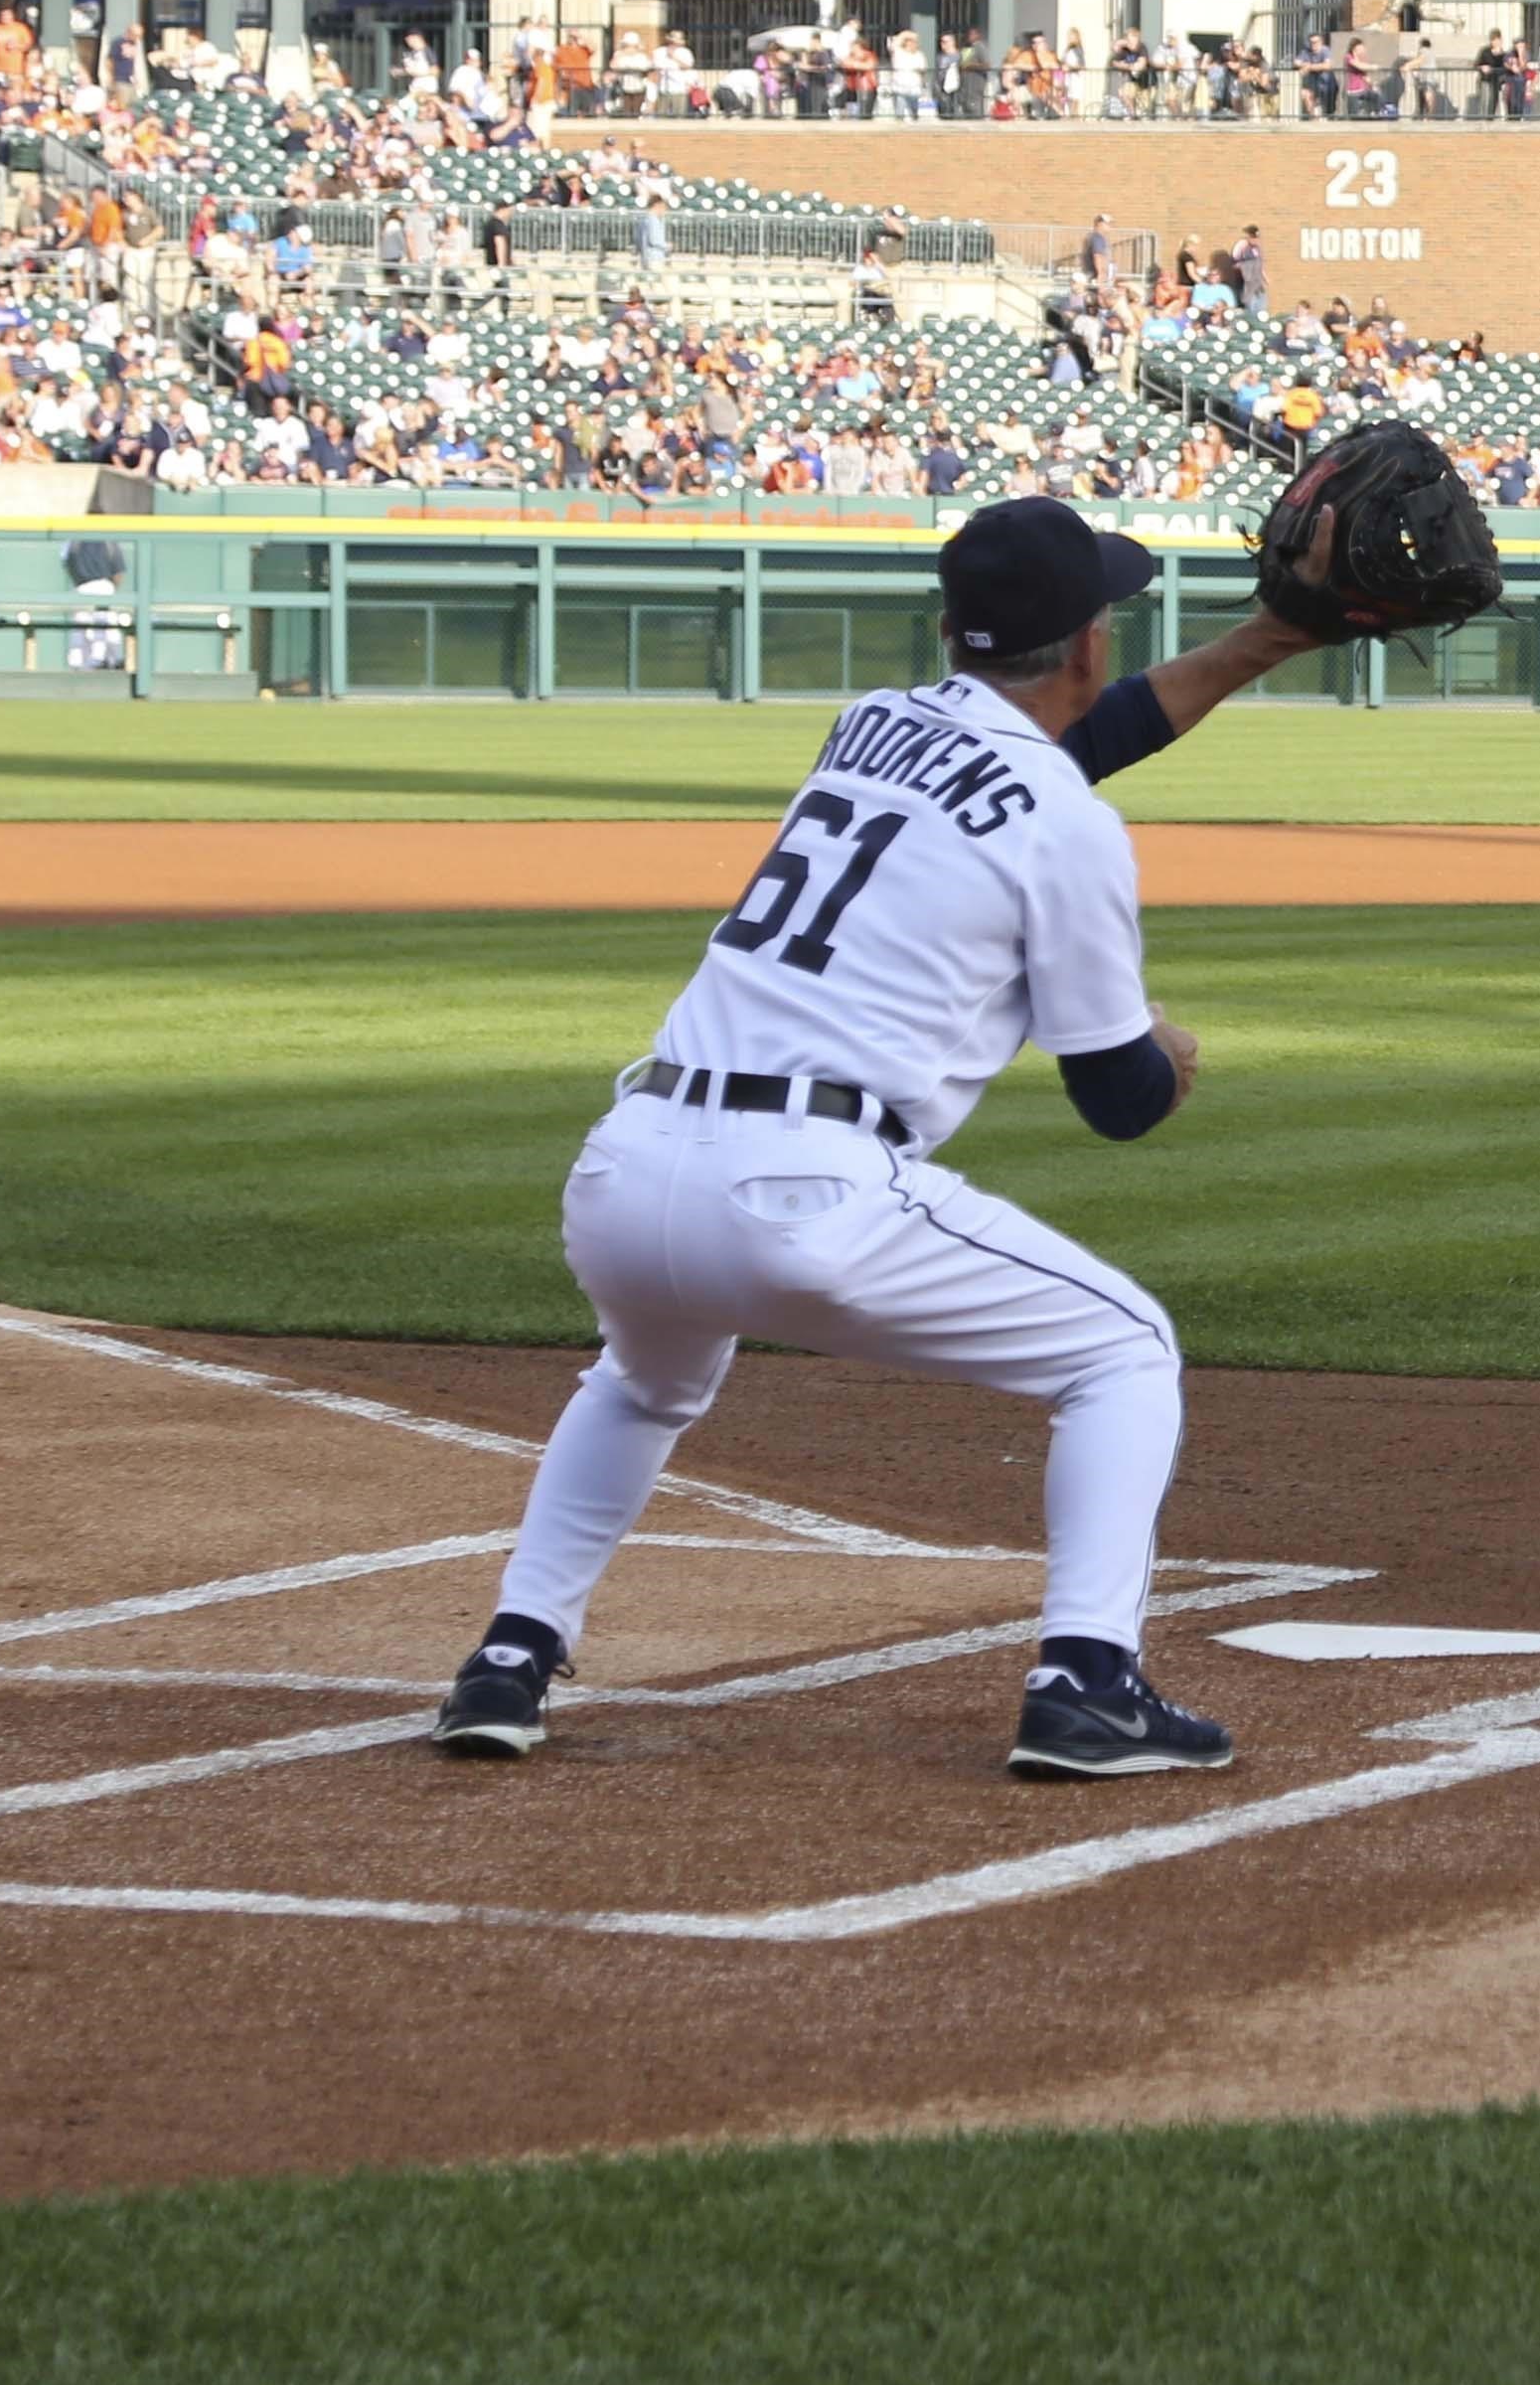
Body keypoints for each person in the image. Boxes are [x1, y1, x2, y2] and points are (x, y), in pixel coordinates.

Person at [428, 498, 1343, 1781]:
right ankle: (1088, 1678)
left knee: (643, 1382)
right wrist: (1167, 1046)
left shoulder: (869, 722)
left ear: (951, 631)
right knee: (1125, 1353)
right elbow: (1118, 1098)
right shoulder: (1067, 821)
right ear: (1087, 644)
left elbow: (1072, 748)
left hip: (628, 1169)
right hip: (809, 1194)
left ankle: (510, 1657)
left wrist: (1269, 640)